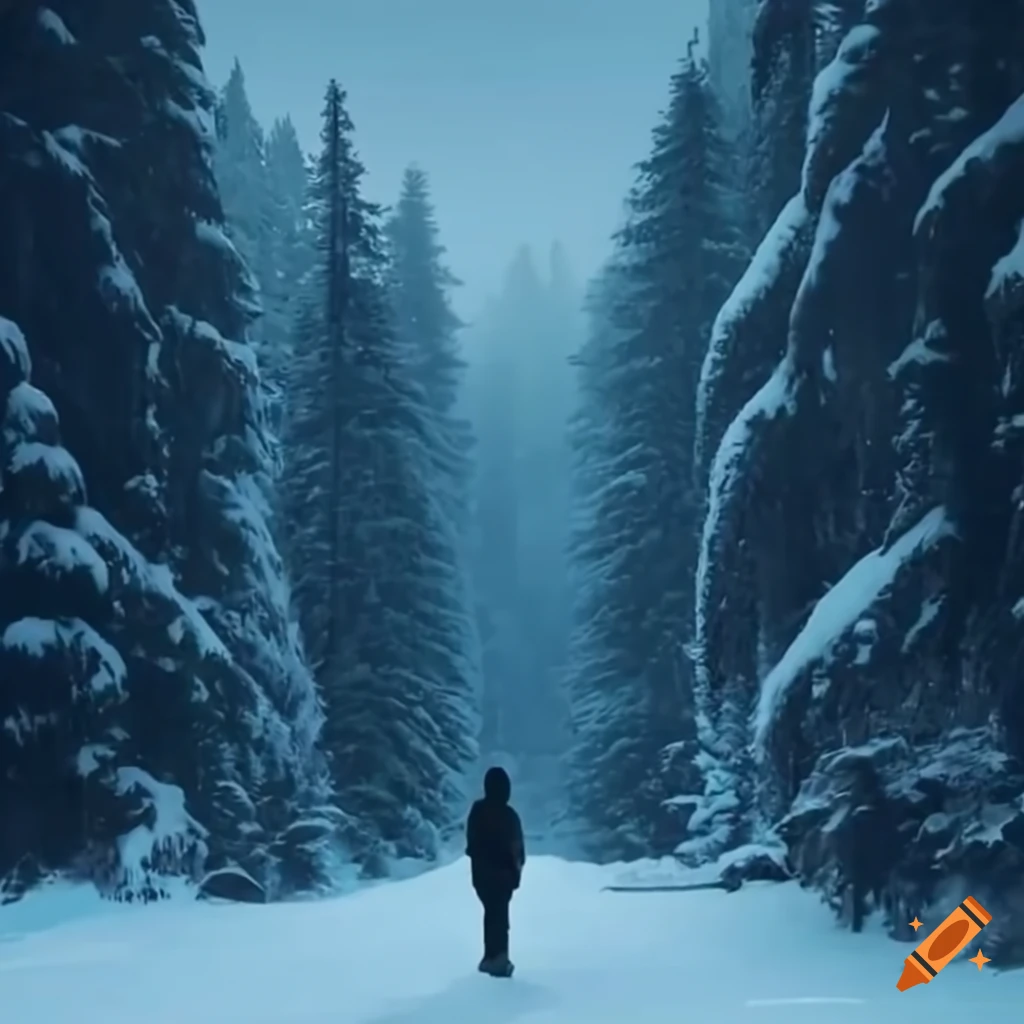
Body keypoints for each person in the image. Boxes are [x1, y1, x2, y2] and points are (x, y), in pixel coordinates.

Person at [465, 766, 525, 977]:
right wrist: (516, 874)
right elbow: (516, 848)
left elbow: (472, 843)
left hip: (481, 876)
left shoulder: (477, 811)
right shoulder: (509, 816)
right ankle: (498, 958)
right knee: (499, 917)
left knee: (491, 914)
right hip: (503, 876)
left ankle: (491, 955)